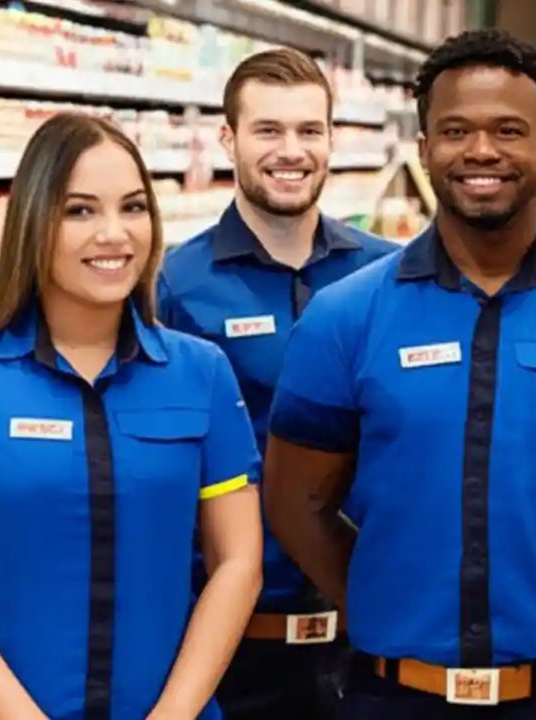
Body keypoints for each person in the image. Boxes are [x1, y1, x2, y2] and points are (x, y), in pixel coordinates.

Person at [262, 29, 536, 719]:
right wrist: (383, 593)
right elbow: (296, 503)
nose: (482, 151)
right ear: (423, 150)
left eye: (509, 130)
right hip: (392, 697)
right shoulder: (346, 316)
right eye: (455, 130)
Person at [0, 113, 262, 720]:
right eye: (80, 210)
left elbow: (238, 563)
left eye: (133, 207)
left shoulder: (202, 373)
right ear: (35, 221)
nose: (114, 234)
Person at [157, 47, 400, 719]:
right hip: (236, 650)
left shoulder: (389, 276)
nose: (291, 151)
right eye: (268, 130)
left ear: (331, 137)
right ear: (229, 139)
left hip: (374, 643)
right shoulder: (180, 287)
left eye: (309, 130)